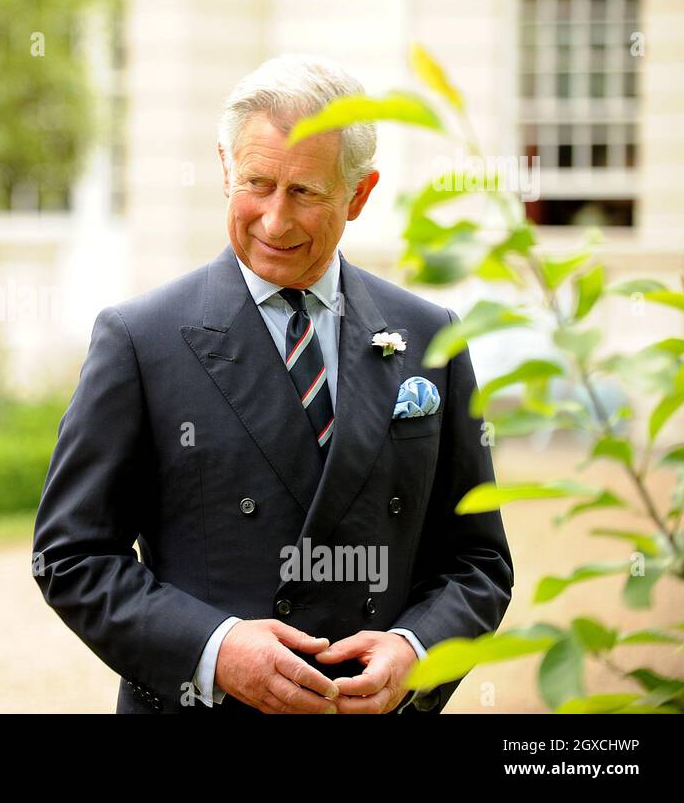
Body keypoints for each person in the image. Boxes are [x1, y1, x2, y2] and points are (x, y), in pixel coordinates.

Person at [32, 55, 514, 715]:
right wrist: (214, 649)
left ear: (360, 194)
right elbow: (70, 555)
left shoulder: (431, 336)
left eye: (305, 193)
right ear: (227, 169)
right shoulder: (140, 339)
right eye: (257, 183)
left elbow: (477, 564)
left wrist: (415, 651)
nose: (275, 221)